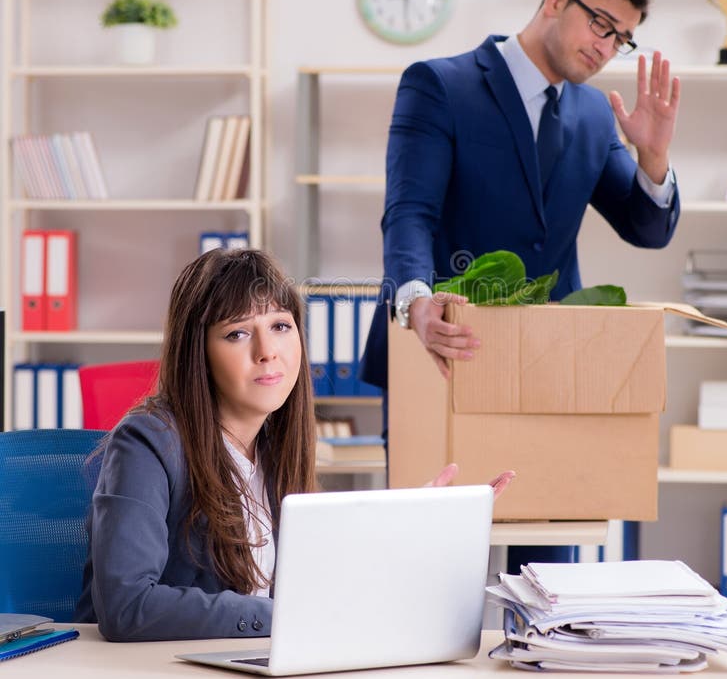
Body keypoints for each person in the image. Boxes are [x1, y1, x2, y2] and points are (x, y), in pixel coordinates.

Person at [357, 0, 681, 566]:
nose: (606, 47)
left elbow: (645, 229)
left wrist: (654, 157)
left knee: (545, 578)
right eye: (601, 25)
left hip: (546, 366)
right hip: (442, 349)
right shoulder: (441, 84)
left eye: (622, 40)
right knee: (428, 562)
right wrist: (417, 302)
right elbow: (409, 212)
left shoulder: (592, 113)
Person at [75, 247, 513, 642]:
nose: (268, 351)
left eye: (281, 326)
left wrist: (405, 530)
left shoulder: (273, 445)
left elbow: (313, 581)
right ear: (197, 352)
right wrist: (279, 616)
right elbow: (127, 606)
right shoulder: (148, 443)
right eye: (238, 333)